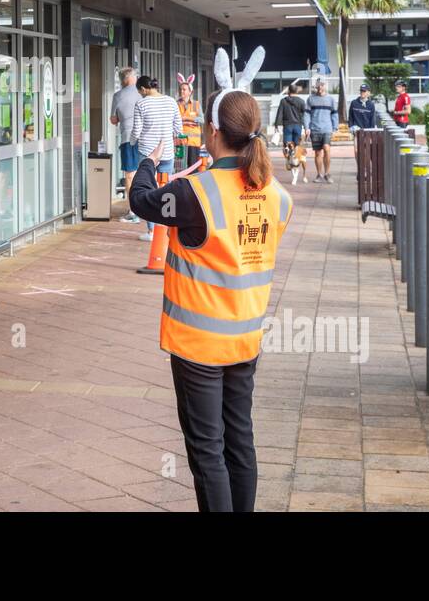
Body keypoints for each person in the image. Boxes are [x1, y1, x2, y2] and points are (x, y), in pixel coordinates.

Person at [128, 89, 292, 512]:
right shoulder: (277, 195)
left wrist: (148, 162)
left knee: (207, 451)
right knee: (240, 439)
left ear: (213, 132)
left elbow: (141, 200)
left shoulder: (194, 193)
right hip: (245, 339)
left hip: (198, 344)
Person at [130, 76, 182, 241]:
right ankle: (165, 228)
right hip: (166, 151)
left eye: (140, 92)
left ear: (144, 89)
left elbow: (136, 131)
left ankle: (152, 231)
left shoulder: (141, 104)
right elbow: (178, 128)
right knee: (166, 189)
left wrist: (131, 142)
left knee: (148, 189)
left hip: (147, 153)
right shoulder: (171, 101)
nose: (140, 95)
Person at [109, 66, 142, 223]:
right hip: (145, 138)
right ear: (130, 78)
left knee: (130, 175)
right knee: (147, 172)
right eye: (135, 76)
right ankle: (147, 208)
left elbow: (113, 119)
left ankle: (133, 211)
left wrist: (122, 116)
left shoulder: (117, 96)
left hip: (127, 138)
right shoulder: (143, 92)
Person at [305, 80, 338, 183]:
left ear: (325, 86)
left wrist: (335, 127)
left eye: (321, 87)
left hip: (327, 128)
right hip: (315, 128)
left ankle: (327, 173)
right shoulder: (310, 99)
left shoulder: (331, 99)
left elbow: (334, 114)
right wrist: (307, 127)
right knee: (318, 153)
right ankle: (319, 174)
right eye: (317, 87)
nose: (319, 89)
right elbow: (307, 114)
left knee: (327, 149)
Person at [176, 73, 203, 169]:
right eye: (180, 89)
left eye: (184, 89)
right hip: (179, 141)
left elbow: (201, 120)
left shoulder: (196, 104)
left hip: (193, 142)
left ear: (190, 91)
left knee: (193, 168)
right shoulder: (175, 104)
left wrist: (187, 119)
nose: (181, 91)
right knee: (179, 167)